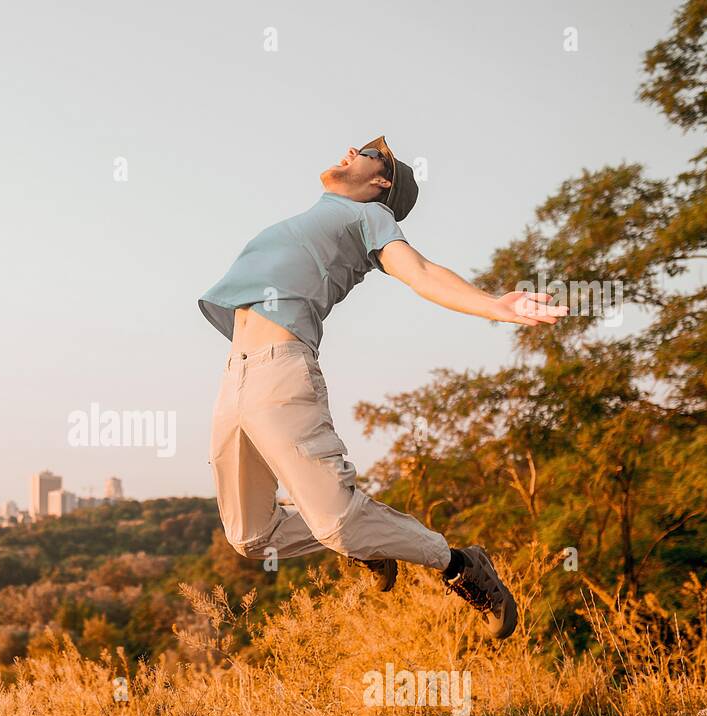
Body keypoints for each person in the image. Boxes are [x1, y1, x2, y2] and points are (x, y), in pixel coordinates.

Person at [198, 136, 566, 639]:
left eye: (368, 154)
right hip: (234, 378)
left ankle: (459, 564)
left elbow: (421, 272)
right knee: (251, 538)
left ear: (381, 182)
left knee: (340, 525)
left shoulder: (370, 218)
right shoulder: (313, 216)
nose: (351, 148)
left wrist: (494, 305)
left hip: (280, 371)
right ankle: (371, 541)